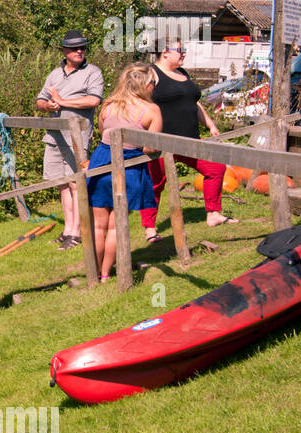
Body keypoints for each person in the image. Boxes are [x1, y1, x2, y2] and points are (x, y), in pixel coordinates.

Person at [139, 42, 237, 239]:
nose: (184, 53)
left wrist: (210, 125)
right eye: (179, 50)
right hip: (162, 141)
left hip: (190, 138)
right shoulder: (151, 74)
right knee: (155, 184)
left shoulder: (183, 72)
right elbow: (139, 101)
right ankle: (150, 228)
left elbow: (195, 103)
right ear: (165, 53)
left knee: (215, 168)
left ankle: (213, 214)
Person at [86, 64, 163, 281]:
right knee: (116, 225)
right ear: (147, 85)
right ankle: (105, 273)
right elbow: (151, 146)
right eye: (153, 84)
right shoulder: (151, 111)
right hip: (128, 165)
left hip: (101, 162)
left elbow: (104, 135)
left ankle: (94, 272)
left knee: (98, 225)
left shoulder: (109, 106)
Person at [36, 29, 104, 250]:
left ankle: (77, 233)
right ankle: (67, 230)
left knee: (76, 183)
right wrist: (49, 105)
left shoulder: (93, 72)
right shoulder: (55, 74)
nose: (79, 51)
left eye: (83, 47)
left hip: (78, 138)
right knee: (62, 184)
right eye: (75, 48)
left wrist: (62, 101)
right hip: (54, 136)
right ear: (64, 50)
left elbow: (93, 100)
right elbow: (40, 101)